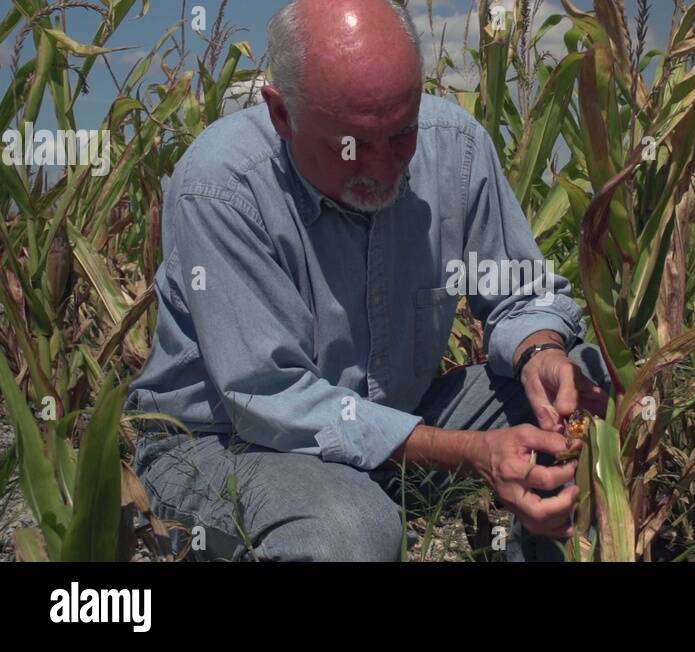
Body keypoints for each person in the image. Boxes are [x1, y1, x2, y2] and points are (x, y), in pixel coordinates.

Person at [127, 0, 610, 561]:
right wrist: (470, 451)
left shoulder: (456, 148)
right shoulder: (220, 188)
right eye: (351, 146)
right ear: (283, 115)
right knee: (350, 533)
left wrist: (539, 349)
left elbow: (520, 293)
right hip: (233, 443)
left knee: (588, 393)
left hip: (401, 424)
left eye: (402, 134)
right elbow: (270, 397)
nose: (386, 168)